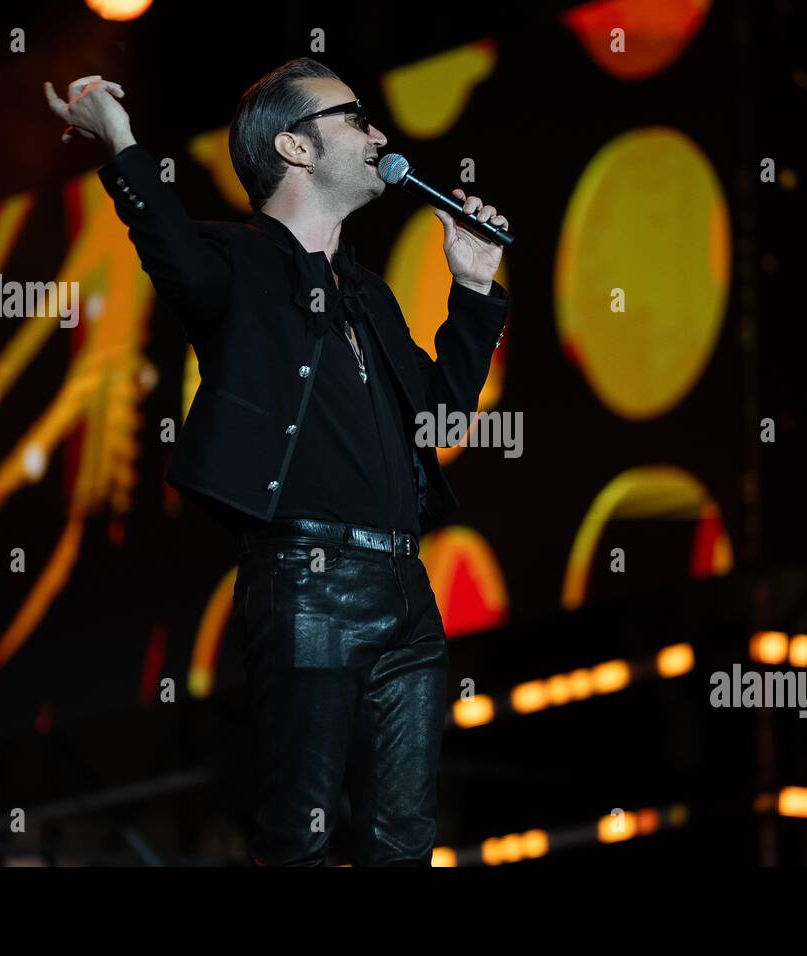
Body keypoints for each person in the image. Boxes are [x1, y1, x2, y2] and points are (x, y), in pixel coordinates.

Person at [44, 57, 510, 865]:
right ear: (294, 149)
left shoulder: (368, 293)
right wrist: (119, 141)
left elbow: (434, 418)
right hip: (310, 583)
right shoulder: (235, 264)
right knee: (302, 831)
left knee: (403, 839)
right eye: (356, 118)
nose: (380, 133)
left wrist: (471, 290)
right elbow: (167, 244)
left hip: (407, 590)